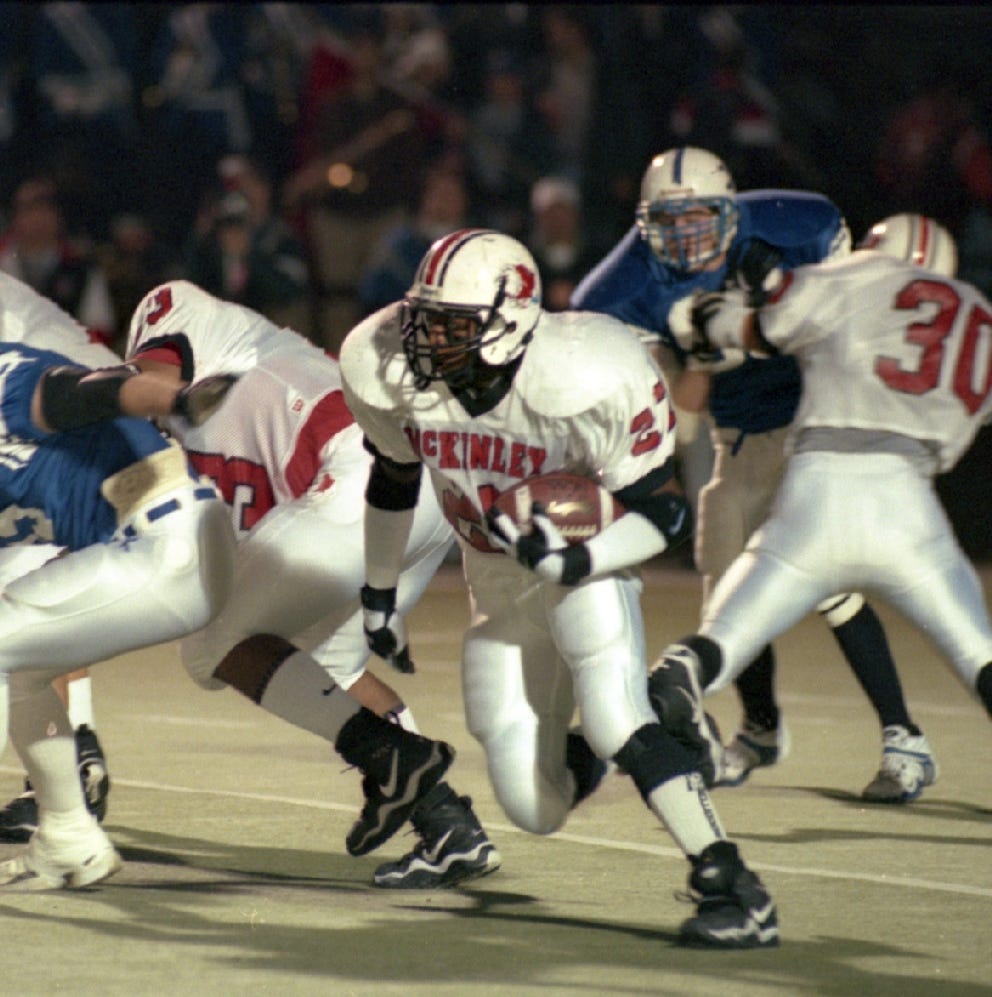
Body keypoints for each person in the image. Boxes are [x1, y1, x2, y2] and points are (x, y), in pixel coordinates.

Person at [339, 228, 778, 948]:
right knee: (533, 805)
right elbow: (393, 475)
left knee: (612, 713)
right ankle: (661, 723)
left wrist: (578, 560)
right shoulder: (388, 367)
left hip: (585, 559)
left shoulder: (584, 374)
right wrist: (380, 594)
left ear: (509, 321)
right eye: (423, 316)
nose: (423, 338)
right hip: (494, 579)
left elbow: (661, 510)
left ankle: (731, 880)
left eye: (450, 323)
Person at [0, 339, 456, 889]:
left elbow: (86, 391)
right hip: (172, 541)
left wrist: (168, 398)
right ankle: (69, 837)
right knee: (24, 668)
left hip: (165, 539)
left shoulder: (10, 379)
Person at [571, 146, 934, 801]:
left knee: (828, 584)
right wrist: (703, 357)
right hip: (735, 439)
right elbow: (681, 405)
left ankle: (904, 737)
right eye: (669, 223)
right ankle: (762, 730)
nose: (684, 237)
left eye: (698, 218)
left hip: (812, 423)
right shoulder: (621, 288)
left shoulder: (796, 228)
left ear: (729, 210)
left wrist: (787, 304)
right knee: (730, 595)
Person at [124, 278, 499, 888]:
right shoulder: (246, 400)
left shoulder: (181, 319)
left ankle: (392, 757)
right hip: (420, 492)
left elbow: (153, 381)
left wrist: (79, 411)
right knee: (327, 661)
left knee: (207, 641)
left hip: (366, 479)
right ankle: (449, 826)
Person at [646, 216, 992, 778]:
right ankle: (883, 736)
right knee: (977, 655)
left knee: (727, 631)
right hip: (909, 501)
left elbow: (768, 325)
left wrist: (716, 320)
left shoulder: (861, 273)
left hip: (818, 484)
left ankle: (689, 667)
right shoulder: (976, 311)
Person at [0, 270, 131, 842]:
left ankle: (71, 769)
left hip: (71, 428)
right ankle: (77, 752)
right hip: (75, 422)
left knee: (21, 602)